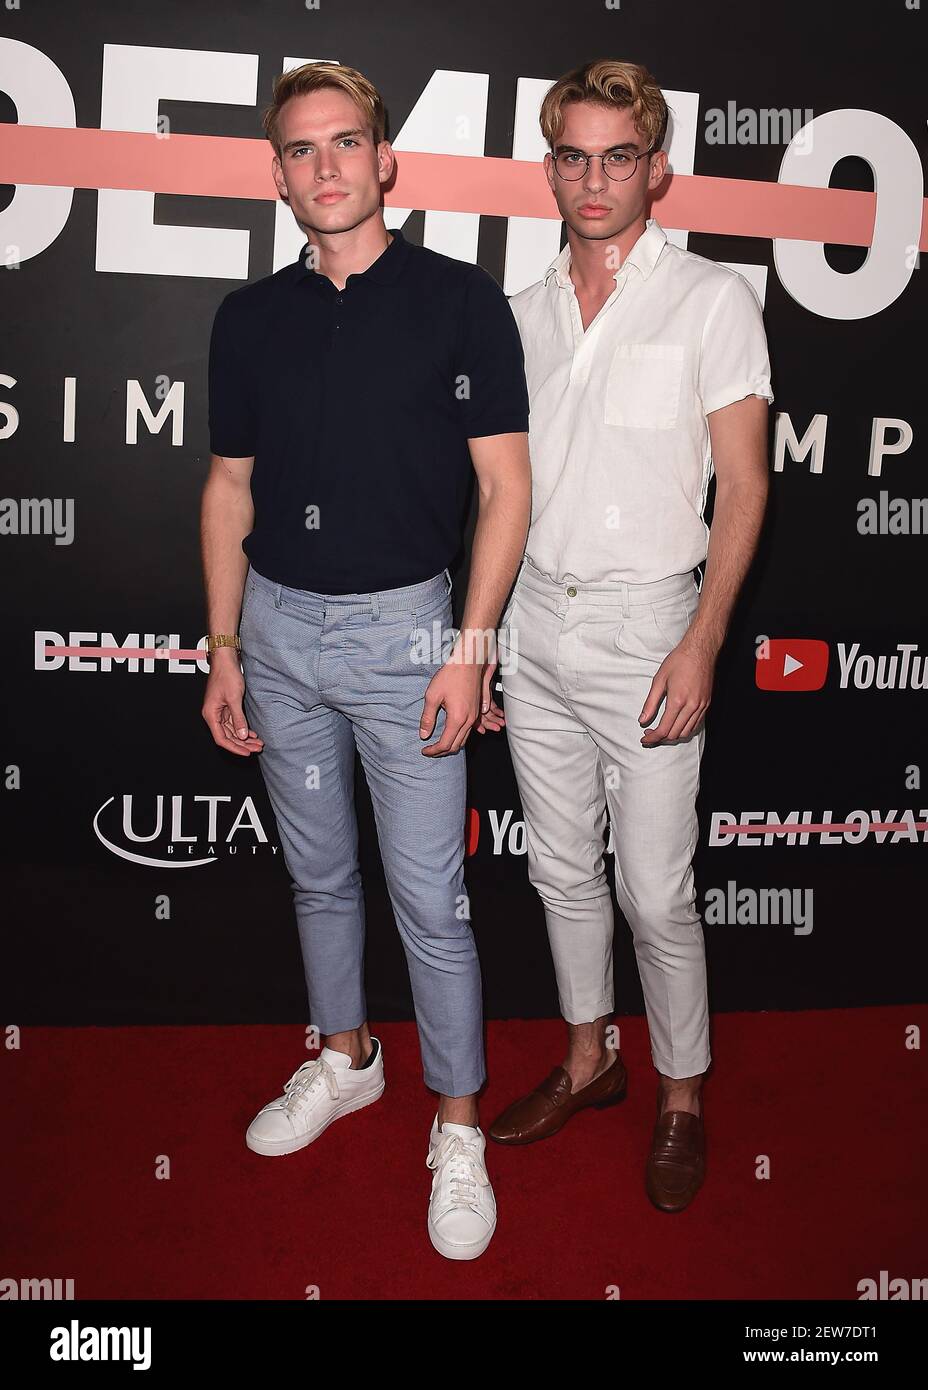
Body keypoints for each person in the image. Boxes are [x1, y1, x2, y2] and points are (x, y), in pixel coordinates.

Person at [200, 61, 530, 1258]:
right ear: (277, 173)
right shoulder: (249, 319)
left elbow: (505, 488)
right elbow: (227, 487)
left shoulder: (460, 302)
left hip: (410, 636)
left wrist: (470, 650)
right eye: (301, 148)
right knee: (320, 879)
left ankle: (457, 1123)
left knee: (431, 900)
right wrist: (228, 645)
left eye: (346, 142)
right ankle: (345, 1057)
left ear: (385, 159)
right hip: (277, 632)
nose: (326, 165)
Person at [486, 59, 773, 1212]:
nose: (592, 179)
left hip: (652, 623)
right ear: (548, 167)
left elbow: (744, 490)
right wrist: (481, 640)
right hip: (531, 622)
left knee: (655, 891)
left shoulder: (713, 298)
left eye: (617, 157)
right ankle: (587, 1058)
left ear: (658, 169)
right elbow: (500, 495)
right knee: (560, 870)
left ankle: (682, 1091)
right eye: (571, 155)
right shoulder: (518, 312)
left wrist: (703, 638)